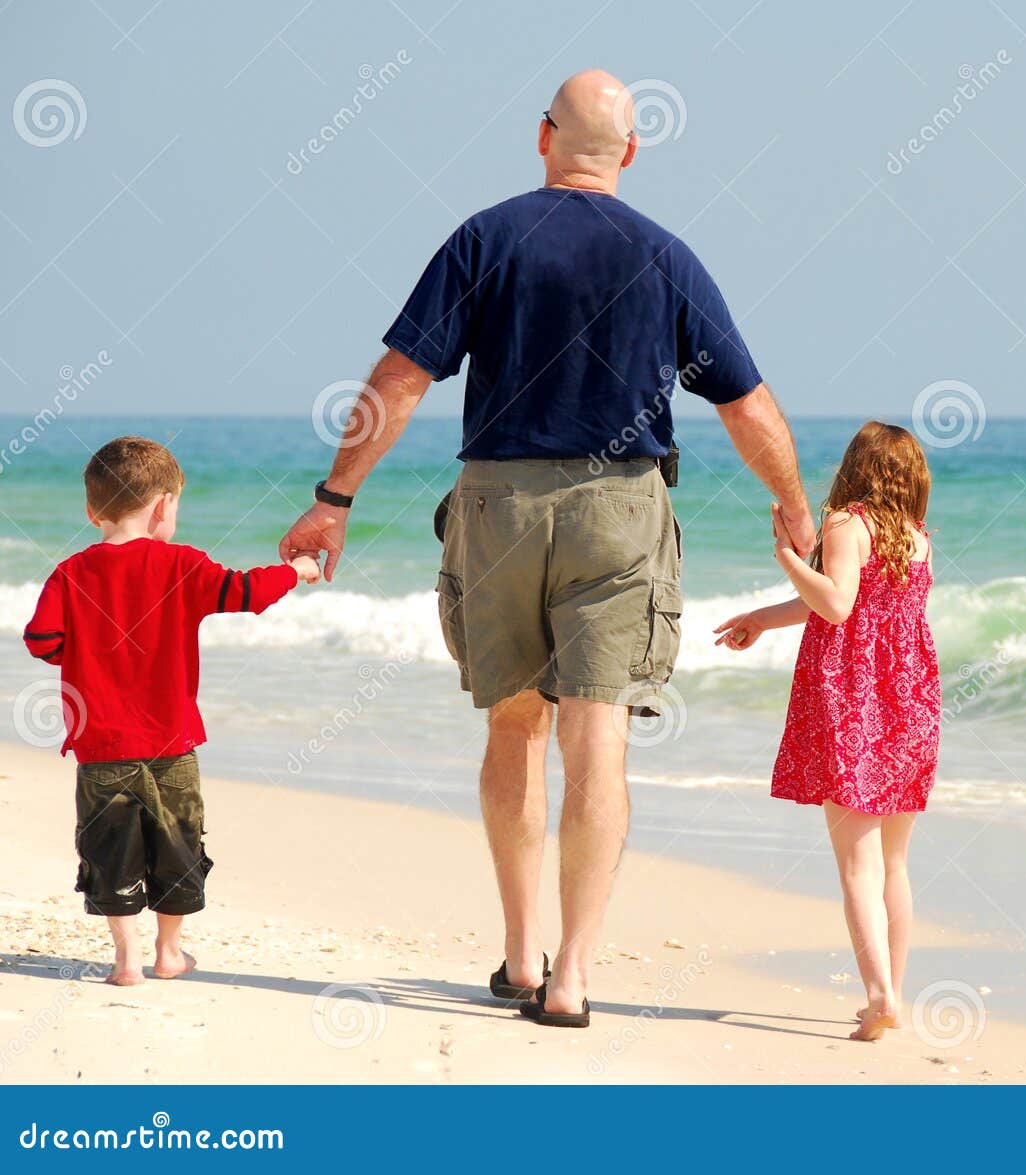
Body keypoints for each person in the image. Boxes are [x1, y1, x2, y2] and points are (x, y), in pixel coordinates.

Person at [278, 69, 813, 1028]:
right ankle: (570, 976)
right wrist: (796, 507)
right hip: (620, 510)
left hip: (500, 505)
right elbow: (746, 402)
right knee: (597, 736)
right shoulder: (665, 255)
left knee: (514, 725)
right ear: (632, 152)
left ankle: (521, 952)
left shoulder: (486, 238)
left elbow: (402, 378)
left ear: (542, 137)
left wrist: (335, 497)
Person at [22, 436, 320, 986]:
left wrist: (86, 656)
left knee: (110, 850)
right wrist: (296, 570)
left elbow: (41, 640)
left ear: (91, 510)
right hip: (171, 744)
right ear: (163, 507)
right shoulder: (182, 564)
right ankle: (169, 952)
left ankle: (126, 958)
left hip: (101, 747)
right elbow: (247, 592)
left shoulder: (70, 573)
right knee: (178, 848)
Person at [714, 422, 940, 1040]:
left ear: (855, 467)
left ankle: (879, 997)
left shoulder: (846, 523)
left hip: (855, 703)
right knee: (894, 862)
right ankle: (892, 993)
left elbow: (837, 604)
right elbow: (850, 601)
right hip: (911, 704)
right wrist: (763, 617)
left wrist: (787, 558)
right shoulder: (917, 538)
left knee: (858, 866)